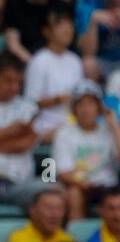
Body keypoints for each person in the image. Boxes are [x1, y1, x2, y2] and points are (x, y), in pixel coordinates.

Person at [53, 78, 120, 219]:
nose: (86, 110)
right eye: (81, 105)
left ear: (99, 108)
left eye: (91, 104)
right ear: (74, 109)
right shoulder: (64, 133)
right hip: (80, 186)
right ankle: (76, 236)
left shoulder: (110, 131)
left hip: (109, 186)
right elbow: (64, 173)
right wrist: (86, 185)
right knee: (73, 193)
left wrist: (115, 126)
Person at [25, 6, 84, 141]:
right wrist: (59, 99)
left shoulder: (75, 60)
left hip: (73, 120)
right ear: (46, 31)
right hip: (46, 124)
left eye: (69, 24)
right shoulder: (39, 61)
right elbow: (30, 103)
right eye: (60, 25)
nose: (67, 29)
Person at [0, 53, 46, 213]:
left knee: (52, 190)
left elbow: (25, 144)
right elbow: (18, 141)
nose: (14, 87)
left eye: (18, 82)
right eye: (8, 80)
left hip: (19, 184)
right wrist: (9, 131)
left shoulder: (28, 107)